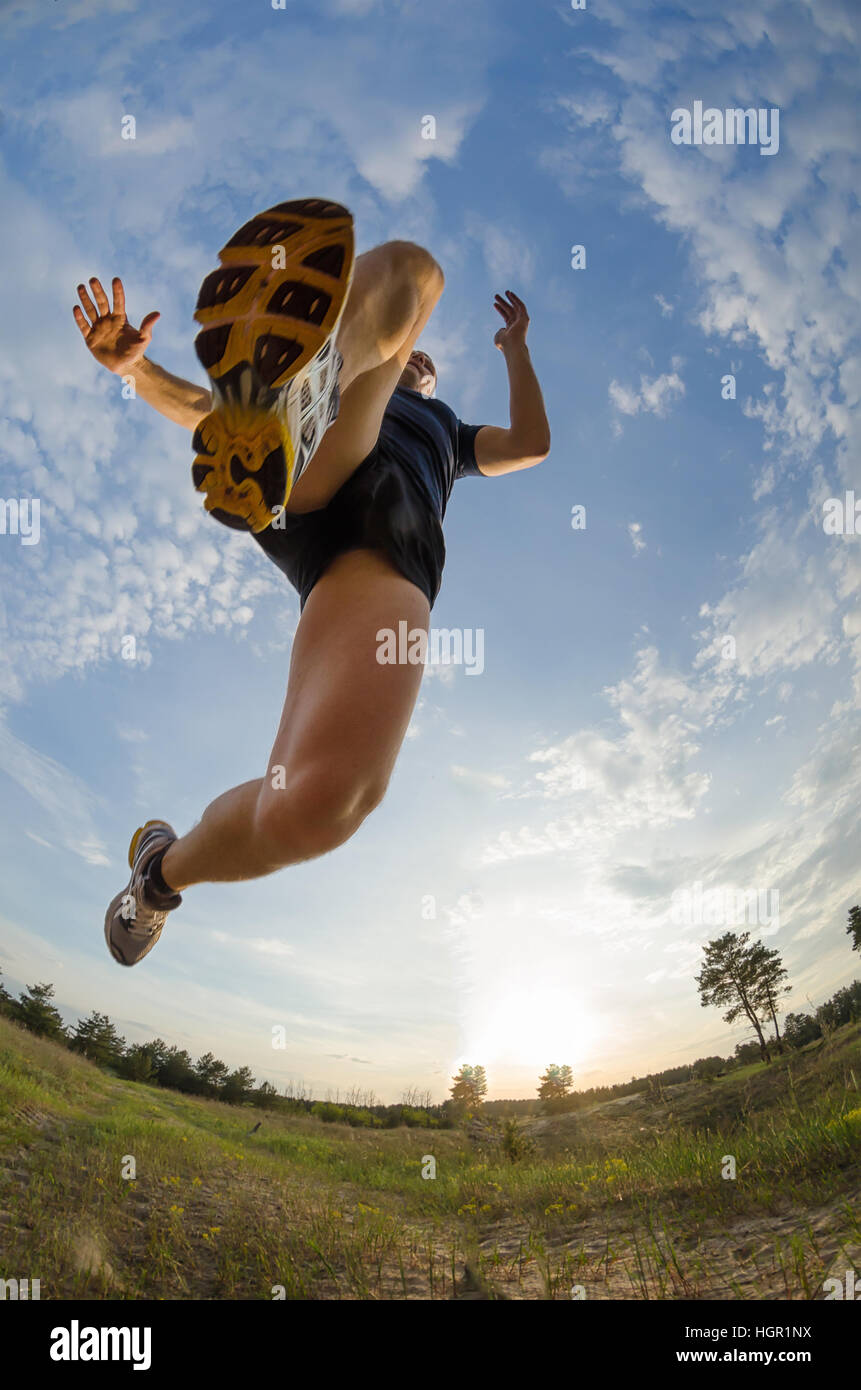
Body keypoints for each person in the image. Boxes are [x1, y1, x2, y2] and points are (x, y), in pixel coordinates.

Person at [73, 198, 550, 966]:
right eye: (414, 360)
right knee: (413, 275)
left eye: (423, 366)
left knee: (322, 806)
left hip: (378, 544)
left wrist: (514, 349)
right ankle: (298, 405)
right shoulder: (368, 386)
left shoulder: (450, 435)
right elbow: (206, 413)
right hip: (320, 462)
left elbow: (530, 444)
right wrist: (138, 372)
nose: (421, 364)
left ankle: (159, 876)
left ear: (428, 379)